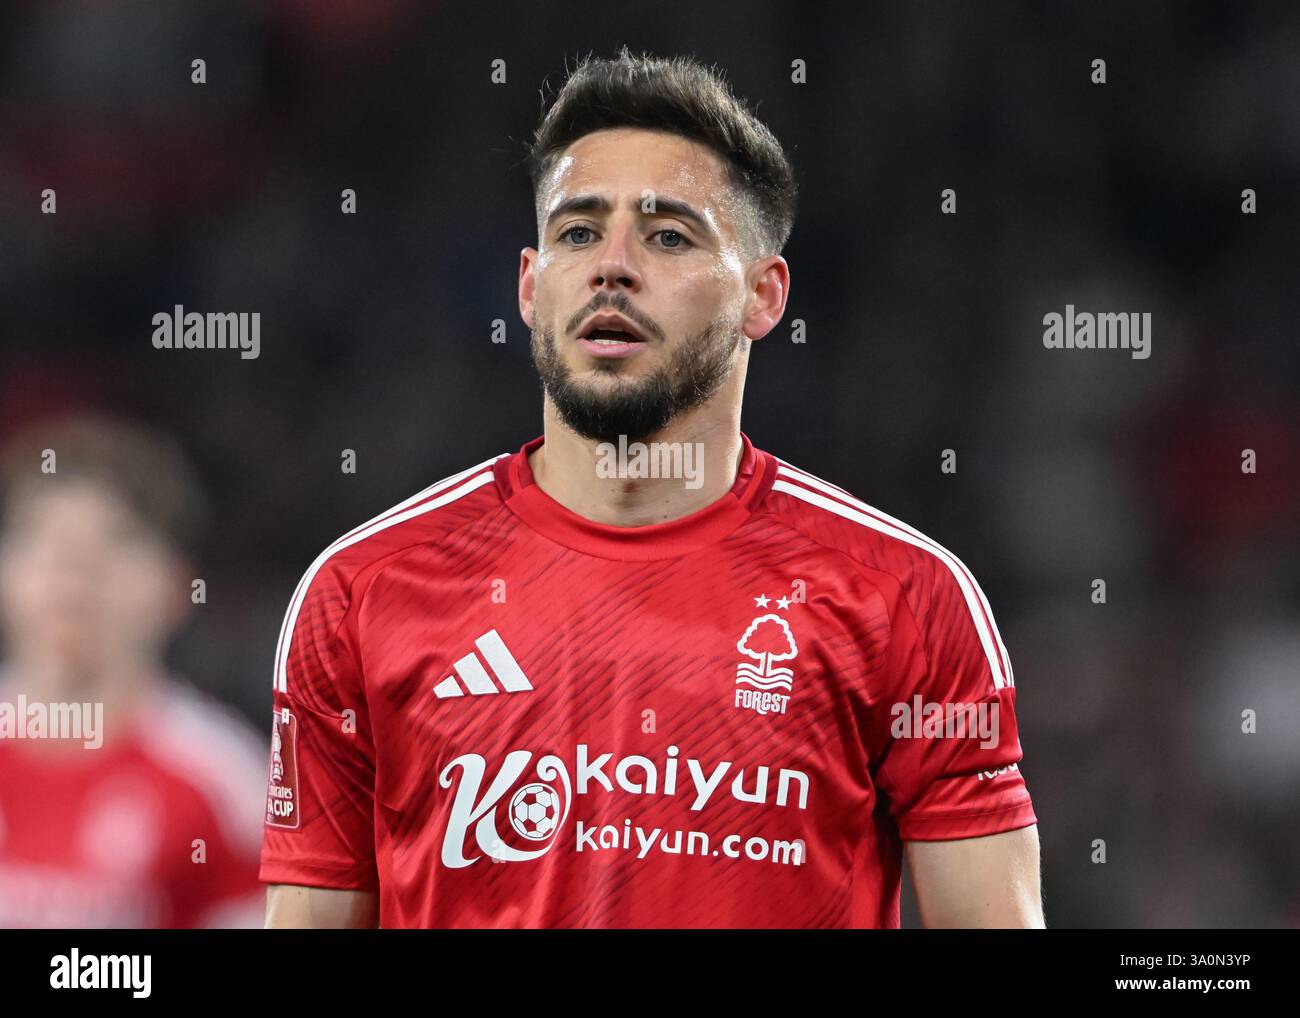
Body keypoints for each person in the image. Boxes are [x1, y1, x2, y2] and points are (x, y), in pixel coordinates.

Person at [262, 47, 1042, 929]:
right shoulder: (363, 592)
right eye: (578, 232)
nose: (612, 266)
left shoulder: (905, 599)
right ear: (529, 285)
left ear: (763, 294)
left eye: (668, 235)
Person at [0, 415, 266, 927]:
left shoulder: (225, 782)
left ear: (176, 588)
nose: (74, 568)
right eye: (42, 536)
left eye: (116, 540)